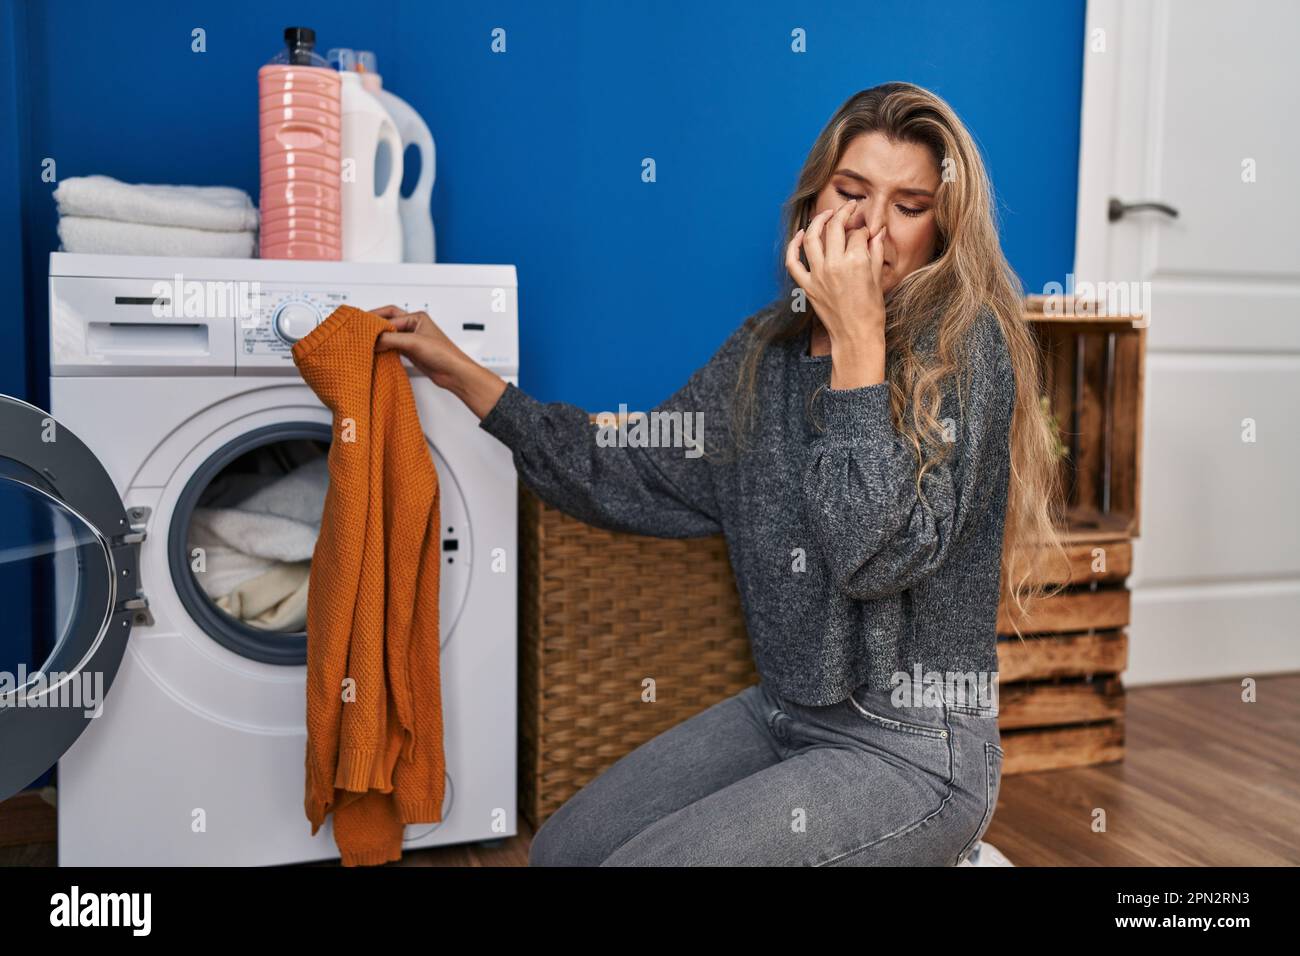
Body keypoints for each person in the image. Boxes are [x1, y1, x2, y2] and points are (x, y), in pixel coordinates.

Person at [373, 81, 1066, 866]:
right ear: (812, 204)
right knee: (561, 854)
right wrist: (464, 375)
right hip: (787, 713)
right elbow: (625, 469)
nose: (873, 225)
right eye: (851, 191)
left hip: (917, 750)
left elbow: (876, 556)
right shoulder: (762, 357)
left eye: (909, 205)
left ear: (941, 229)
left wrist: (858, 344)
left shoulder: (966, 349)